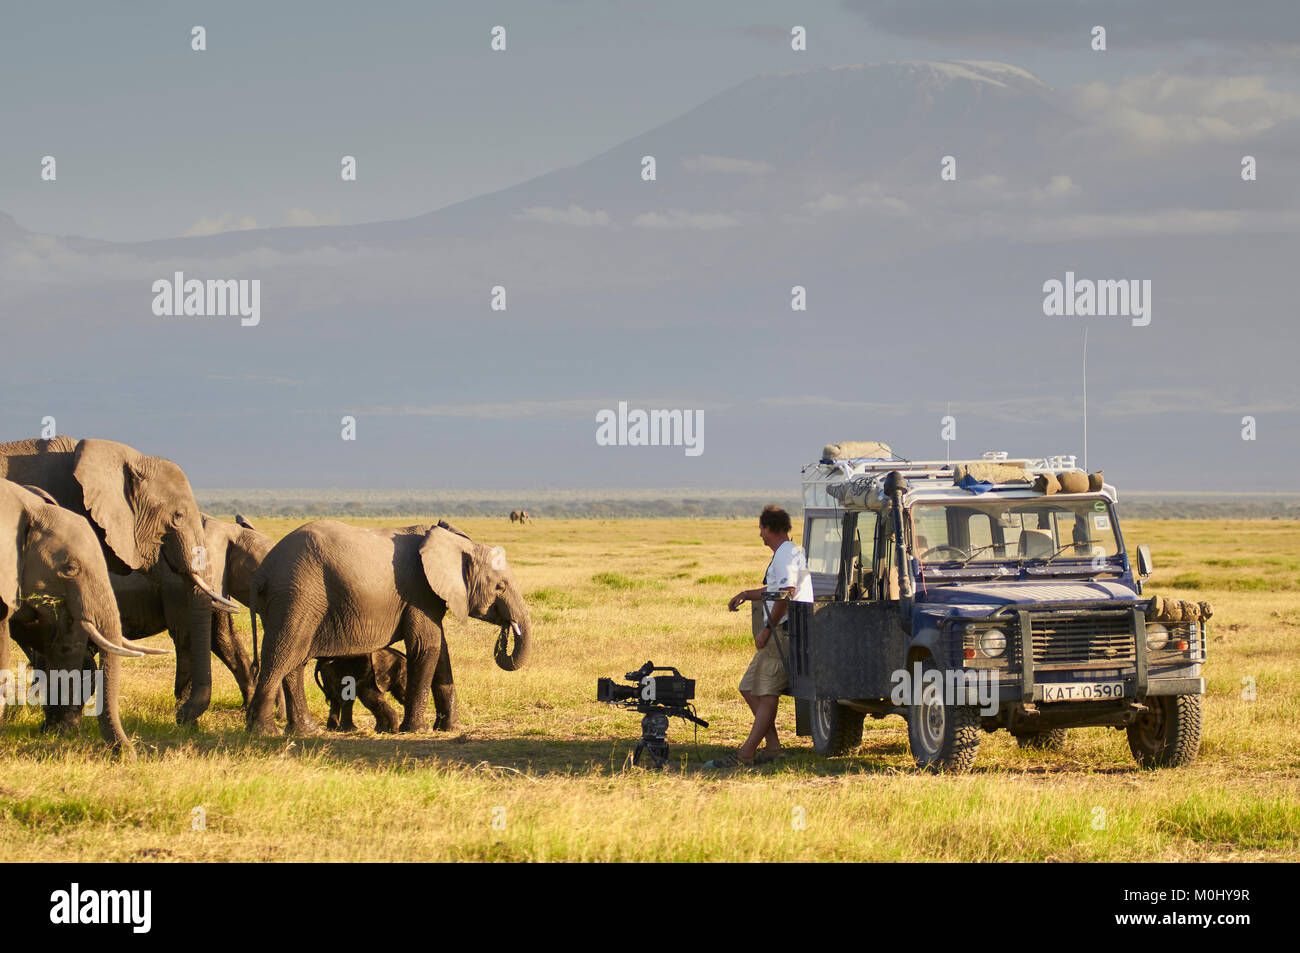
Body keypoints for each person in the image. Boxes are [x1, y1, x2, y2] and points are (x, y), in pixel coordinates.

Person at [708, 505, 813, 768]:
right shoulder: (792, 551)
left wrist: (767, 629)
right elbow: (776, 588)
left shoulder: (785, 554)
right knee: (748, 687)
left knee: (766, 693)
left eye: (761, 530)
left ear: (768, 528)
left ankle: (746, 753)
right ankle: (773, 747)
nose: (761, 536)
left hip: (782, 632)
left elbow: (786, 592)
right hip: (786, 629)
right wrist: (747, 593)